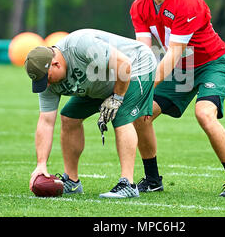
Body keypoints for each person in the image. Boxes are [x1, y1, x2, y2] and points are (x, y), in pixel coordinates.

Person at [130, 0, 225, 197]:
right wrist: (132, 88)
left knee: (204, 114)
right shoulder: (139, 6)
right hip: (181, 68)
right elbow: (144, 53)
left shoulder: (188, 1)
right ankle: (152, 179)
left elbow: (172, 54)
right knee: (140, 114)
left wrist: (145, 86)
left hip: (210, 63)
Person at [24, 29, 157, 198]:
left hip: (137, 66)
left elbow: (124, 65)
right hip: (101, 82)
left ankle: (128, 184)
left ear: (56, 64)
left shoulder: (81, 45)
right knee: (69, 117)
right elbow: (46, 122)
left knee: (120, 117)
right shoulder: (46, 79)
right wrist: (41, 164)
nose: (47, 85)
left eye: (48, 78)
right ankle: (72, 181)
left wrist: (117, 98)